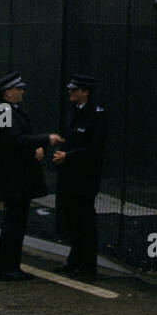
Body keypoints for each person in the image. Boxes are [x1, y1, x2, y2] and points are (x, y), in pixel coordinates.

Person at [0, 72, 62, 281]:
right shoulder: (5, 112)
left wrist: (35, 147)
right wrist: (44, 139)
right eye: (18, 89)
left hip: (15, 177)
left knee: (14, 223)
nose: (22, 91)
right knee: (15, 223)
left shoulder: (10, 111)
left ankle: (4, 264)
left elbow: (17, 141)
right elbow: (12, 141)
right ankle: (8, 268)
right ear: (7, 93)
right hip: (14, 178)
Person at [53, 74, 108, 279]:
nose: (70, 92)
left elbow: (94, 147)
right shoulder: (73, 112)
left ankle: (88, 266)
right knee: (72, 218)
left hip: (85, 174)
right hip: (69, 172)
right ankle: (74, 259)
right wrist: (61, 153)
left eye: (74, 90)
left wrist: (68, 155)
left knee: (85, 219)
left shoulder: (97, 115)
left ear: (85, 91)